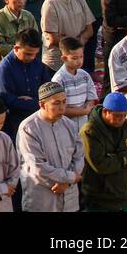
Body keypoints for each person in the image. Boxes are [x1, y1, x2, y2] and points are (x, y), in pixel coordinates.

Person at [16, 81, 85, 211]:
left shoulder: (69, 125)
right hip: (42, 201)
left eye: (64, 102)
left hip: (69, 201)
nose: (62, 108)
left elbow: (79, 156)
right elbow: (37, 166)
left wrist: (67, 181)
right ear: (42, 105)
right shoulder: (28, 128)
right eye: (56, 103)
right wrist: (69, 178)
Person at [80, 92, 127, 212]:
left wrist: (116, 158)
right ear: (105, 111)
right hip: (98, 195)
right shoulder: (90, 131)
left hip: (122, 191)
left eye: (124, 115)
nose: (121, 119)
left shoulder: (126, 125)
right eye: (117, 116)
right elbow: (100, 164)